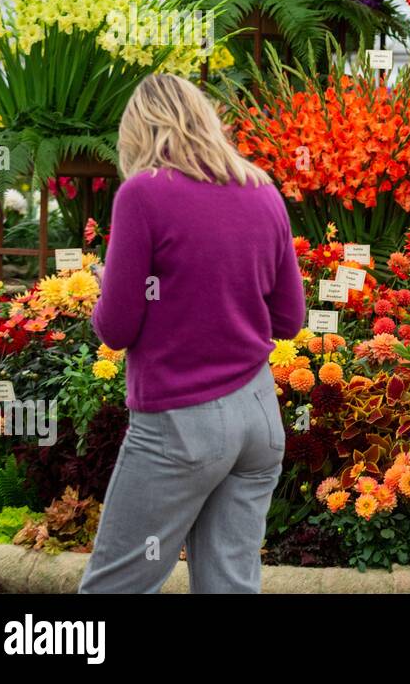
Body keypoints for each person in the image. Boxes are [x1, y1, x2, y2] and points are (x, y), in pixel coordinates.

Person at [80, 74, 305, 594]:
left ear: (139, 131)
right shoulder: (261, 189)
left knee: (115, 588)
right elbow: (288, 319)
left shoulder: (143, 194)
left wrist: (104, 291)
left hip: (180, 423)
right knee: (229, 586)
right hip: (257, 417)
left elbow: (116, 329)